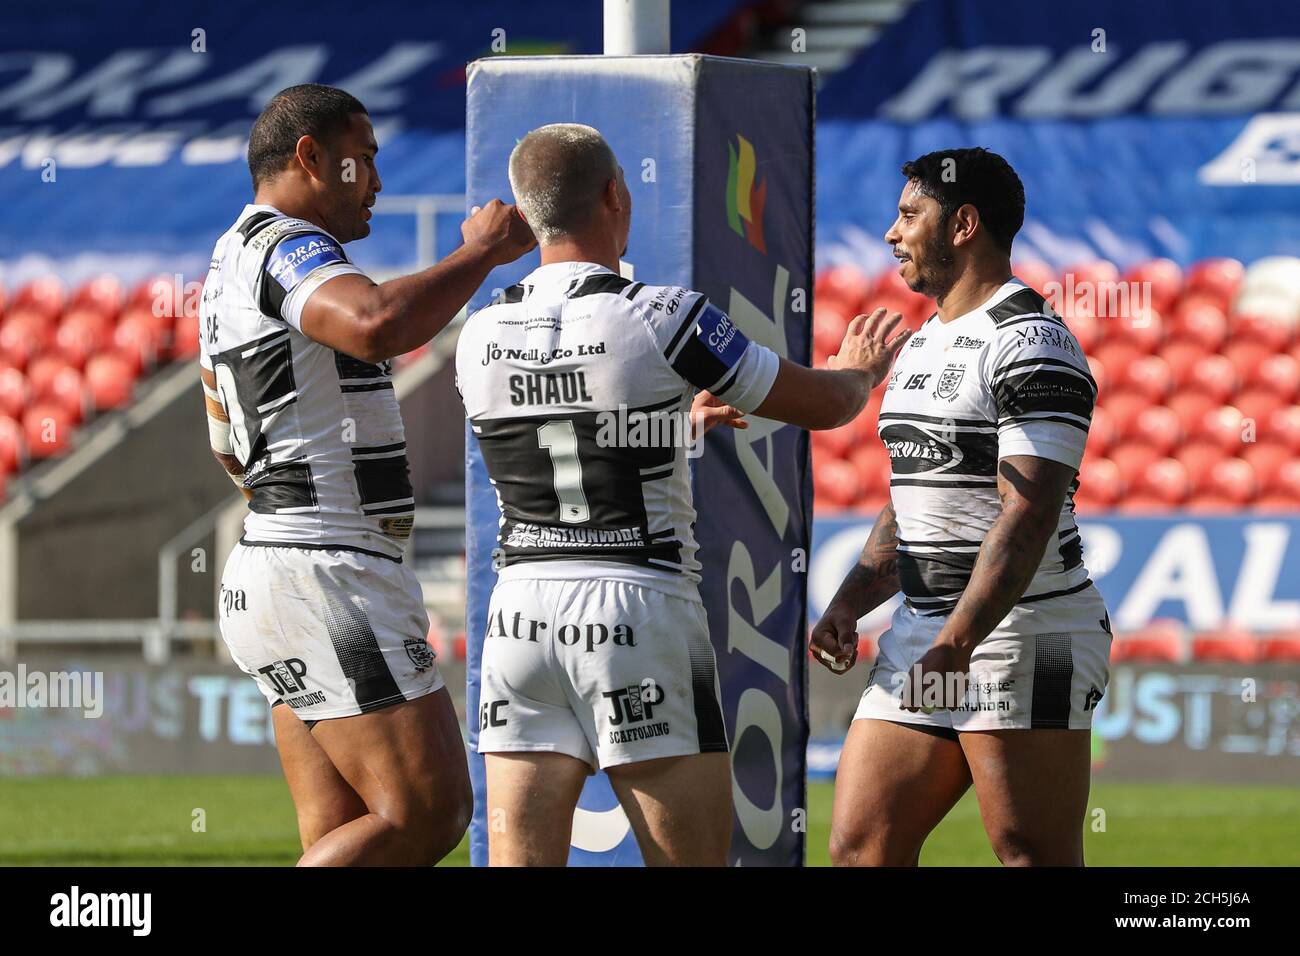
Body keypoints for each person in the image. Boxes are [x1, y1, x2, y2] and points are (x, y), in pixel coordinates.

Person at [455, 123, 909, 866]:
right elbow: (822, 406)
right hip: (636, 603)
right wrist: (857, 370)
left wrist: (675, 424)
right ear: (614, 196)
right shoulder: (667, 317)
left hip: (520, 614)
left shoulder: (480, 330)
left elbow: (569, 432)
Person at [199, 83, 534, 865]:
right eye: (365, 160)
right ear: (310, 157)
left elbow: (223, 442)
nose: (377, 181)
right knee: (430, 811)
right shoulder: (283, 243)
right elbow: (379, 323)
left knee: (343, 829)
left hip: (283, 562)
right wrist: (479, 251)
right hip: (325, 573)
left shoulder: (225, 265)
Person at [811, 147, 1112, 867]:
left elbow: (1030, 514)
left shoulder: (1031, 342)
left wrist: (960, 640)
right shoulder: (921, 343)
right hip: (926, 631)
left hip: (1021, 634)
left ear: (964, 225)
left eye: (910, 214)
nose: (892, 232)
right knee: (861, 850)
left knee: (1028, 852)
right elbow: (913, 494)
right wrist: (853, 600)